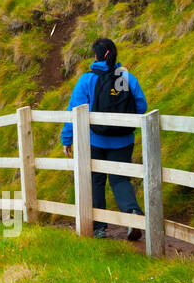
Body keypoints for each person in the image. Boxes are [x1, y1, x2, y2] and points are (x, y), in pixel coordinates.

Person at [60, 38, 146, 241]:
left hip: (95, 140)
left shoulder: (87, 80)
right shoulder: (126, 77)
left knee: (96, 181)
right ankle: (133, 216)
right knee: (120, 179)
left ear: (96, 56)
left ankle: (99, 228)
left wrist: (67, 139)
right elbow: (141, 107)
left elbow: (74, 112)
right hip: (123, 140)